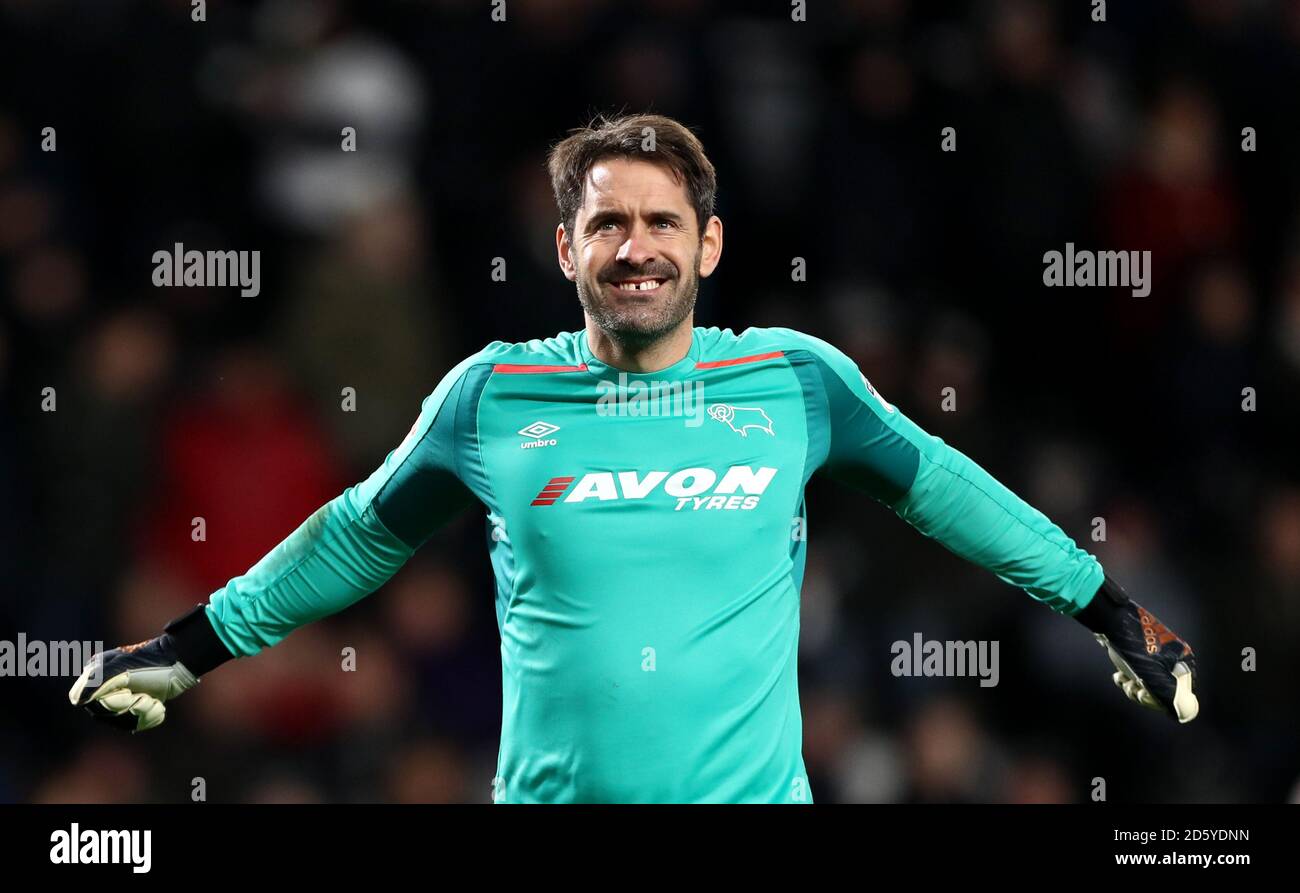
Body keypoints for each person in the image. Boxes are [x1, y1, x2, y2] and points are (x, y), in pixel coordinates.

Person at [70, 113, 1198, 804]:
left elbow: (945, 489)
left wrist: (1106, 607)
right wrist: (190, 647)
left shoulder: (796, 381)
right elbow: (358, 531)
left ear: (707, 244)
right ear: (565, 247)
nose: (637, 246)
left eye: (662, 222)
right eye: (608, 223)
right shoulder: (493, 394)